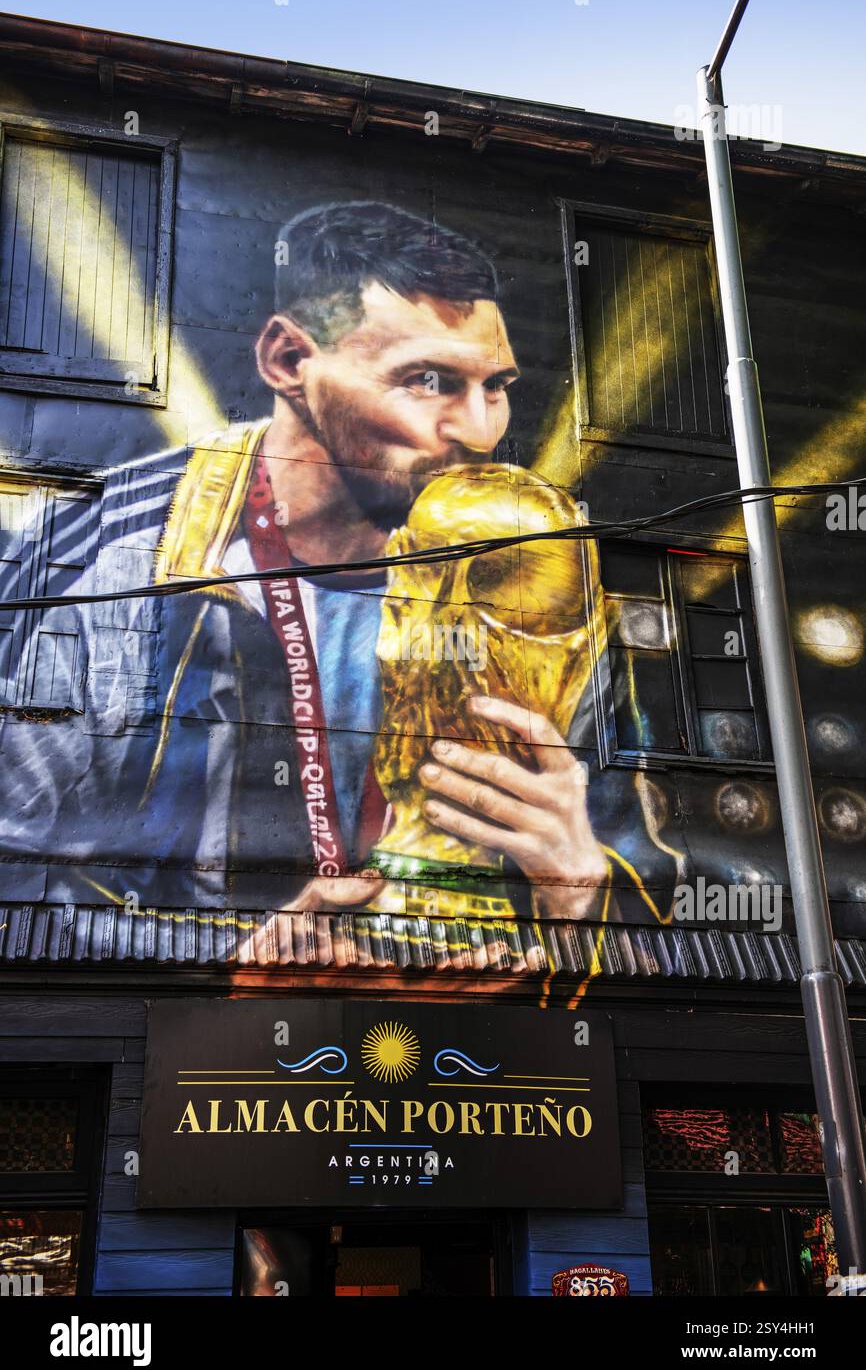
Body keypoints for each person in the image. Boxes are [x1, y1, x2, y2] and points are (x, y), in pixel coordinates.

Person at [0, 201, 677, 927]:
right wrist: (232, 965)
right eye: (427, 380)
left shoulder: (536, 564)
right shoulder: (110, 554)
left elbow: (646, 885)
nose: (481, 431)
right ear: (290, 361)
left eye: (496, 386)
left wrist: (580, 895)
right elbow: (16, 888)